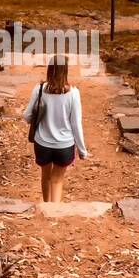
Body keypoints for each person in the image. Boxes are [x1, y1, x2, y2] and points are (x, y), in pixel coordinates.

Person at [23, 58, 88, 203]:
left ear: (49, 70)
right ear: (65, 71)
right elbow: (76, 124)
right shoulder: (74, 93)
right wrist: (82, 150)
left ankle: (46, 207)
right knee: (57, 180)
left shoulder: (39, 89)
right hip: (64, 145)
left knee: (45, 176)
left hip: (42, 143)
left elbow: (27, 116)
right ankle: (54, 212)